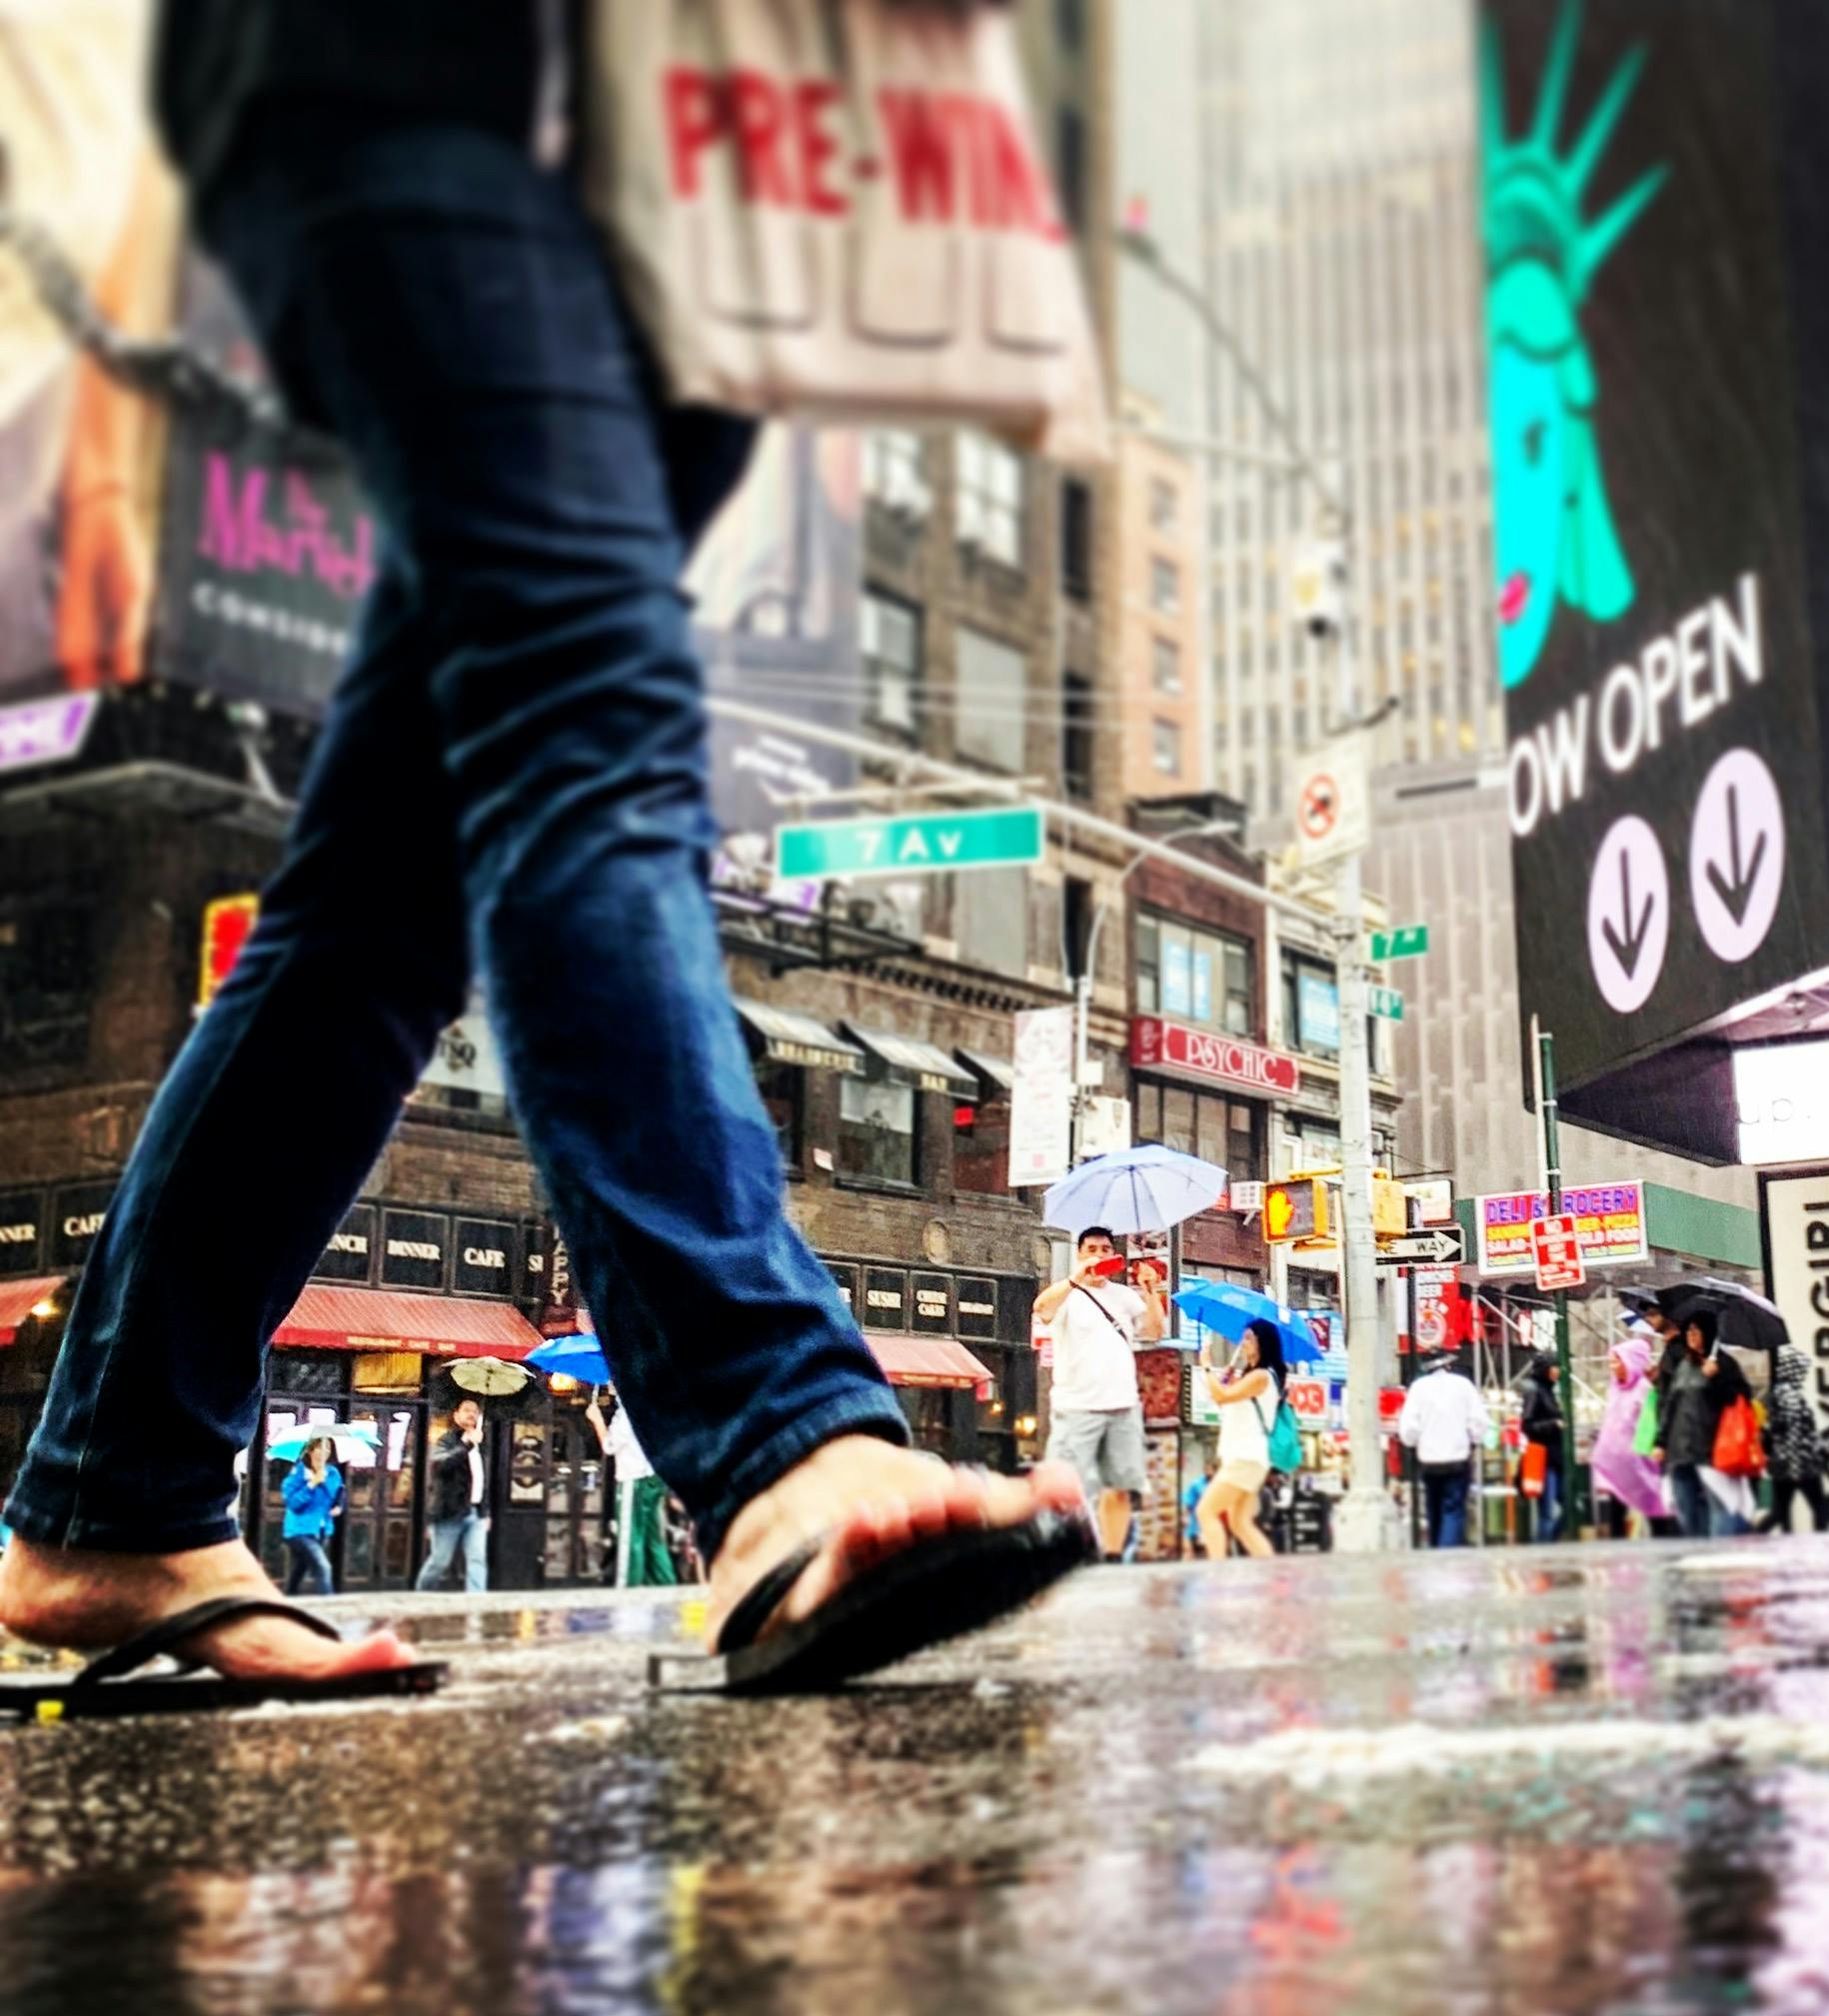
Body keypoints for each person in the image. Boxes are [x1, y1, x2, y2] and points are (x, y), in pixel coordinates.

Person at [0, 7, 1089, 1695]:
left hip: (710, 157)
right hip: (419, 83)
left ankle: (114, 1495)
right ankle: (778, 1430)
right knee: (584, 705)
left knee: (383, 894)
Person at [1032, 1228, 1166, 1561]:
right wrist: (1075, 1279)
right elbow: (1041, 1308)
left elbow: (1153, 1331)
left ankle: (1112, 1555)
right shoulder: (1066, 1294)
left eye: (1106, 1249)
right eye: (1091, 1248)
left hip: (1122, 1403)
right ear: (1079, 1253)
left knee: (1119, 1485)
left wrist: (1151, 1290)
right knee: (1067, 1486)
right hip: (1076, 1405)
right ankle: (1060, 1551)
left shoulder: (1123, 1296)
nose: (1099, 1254)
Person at [1657, 1308, 1752, 1537]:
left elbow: (1741, 1400)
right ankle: (1698, 1558)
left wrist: (1718, 1378)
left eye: (1696, 1330)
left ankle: (1719, 1560)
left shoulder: (1724, 1365)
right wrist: (1660, 1441)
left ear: (1708, 1333)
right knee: (1686, 1511)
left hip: (1712, 1449)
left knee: (1720, 1507)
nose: (1691, 1335)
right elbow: (1670, 1404)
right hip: (1680, 1450)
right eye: (1688, 1330)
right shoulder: (1684, 1365)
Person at [1196, 1321, 1287, 1560]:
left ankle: (1217, 1571)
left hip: (1245, 1457)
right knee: (1239, 1523)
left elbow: (1221, 1396)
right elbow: (1222, 1397)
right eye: (1243, 1337)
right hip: (1247, 1457)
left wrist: (1206, 1366)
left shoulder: (1260, 1376)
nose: (1243, 1343)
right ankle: (1271, 1571)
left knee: (1206, 1511)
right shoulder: (1253, 1376)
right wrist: (1223, 1378)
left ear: (1262, 1344)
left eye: (1249, 1338)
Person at [1398, 1351, 1492, 1549]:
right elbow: (1479, 1422)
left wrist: (1416, 1443)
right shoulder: (1463, 1386)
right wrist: (1471, 1441)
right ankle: (1446, 1552)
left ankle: (1436, 1549)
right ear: (1448, 1366)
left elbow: (1409, 1429)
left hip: (1429, 1461)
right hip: (1457, 1458)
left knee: (1433, 1509)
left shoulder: (1418, 1388)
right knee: (1453, 1509)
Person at [587, 1390, 679, 1588]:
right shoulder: (653, 1410)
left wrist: (596, 1420)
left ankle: (628, 1588)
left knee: (630, 1538)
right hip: (653, 1478)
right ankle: (665, 1585)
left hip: (632, 1479)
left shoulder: (626, 1414)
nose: (610, 1384)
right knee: (654, 1538)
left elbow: (609, 1447)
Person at [1589, 1335, 1667, 1534]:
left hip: (1639, 1460)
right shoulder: (1614, 1388)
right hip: (1615, 1463)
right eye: (1611, 1362)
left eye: (1617, 1361)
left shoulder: (1645, 1390)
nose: (1613, 1366)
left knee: (1652, 1504)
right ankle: (1617, 1554)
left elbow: (1649, 1425)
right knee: (1616, 1511)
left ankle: (1665, 1546)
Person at [417, 1398, 490, 1594]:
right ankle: (421, 1593)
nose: (471, 1414)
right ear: (456, 1416)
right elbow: (440, 1465)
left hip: (475, 1512)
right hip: (450, 1511)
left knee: (477, 1559)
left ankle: (476, 1604)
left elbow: (483, 1480)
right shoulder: (447, 1440)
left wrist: (486, 1511)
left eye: (475, 1411)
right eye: (466, 1410)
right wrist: (466, 1444)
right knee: (440, 1561)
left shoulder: (482, 1445)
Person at [1761, 1344, 1829, 1533]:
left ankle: (1758, 1539)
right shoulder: (1790, 1395)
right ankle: (1824, 1548)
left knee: (1781, 1512)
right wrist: (1796, 1469)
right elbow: (1796, 1433)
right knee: (1819, 1509)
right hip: (1801, 1463)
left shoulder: (1776, 1393)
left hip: (1782, 1463)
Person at [280, 1436, 345, 1595]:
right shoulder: (298, 1473)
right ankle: (330, 1608)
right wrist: (312, 1483)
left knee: (300, 1568)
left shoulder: (332, 1473)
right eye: (320, 1448)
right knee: (323, 1567)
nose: (324, 1452)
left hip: (322, 1529)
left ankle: (289, 1598)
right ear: (310, 1451)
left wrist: (339, 1506)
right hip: (299, 1531)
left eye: (328, 1448)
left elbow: (339, 1494)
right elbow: (293, 1504)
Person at [1519, 1355, 1567, 1541]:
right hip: (1543, 1458)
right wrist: (1554, 1424)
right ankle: (1544, 1546)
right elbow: (1527, 1425)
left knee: (1567, 1504)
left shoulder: (1549, 1390)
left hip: (1555, 1456)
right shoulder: (1535, 1391)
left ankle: (1549, 1542)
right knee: (1547, 1510)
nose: (1558, 1371)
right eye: (1555, 1367)